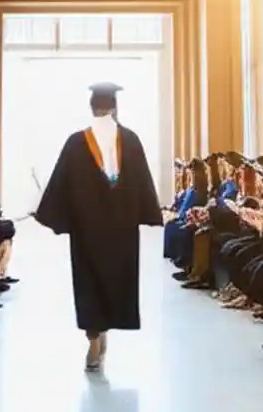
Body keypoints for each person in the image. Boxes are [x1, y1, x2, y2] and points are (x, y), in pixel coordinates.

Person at [34, 81, 162, 370]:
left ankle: (95, 337)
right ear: (115, 108)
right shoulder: (130, 140)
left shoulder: (76, 142)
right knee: (116, 281)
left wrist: (55, 218)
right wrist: (148, 213)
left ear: (91, 107)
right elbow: (142, 181)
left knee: (89, 283)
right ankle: (103, 332)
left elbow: (60, 185)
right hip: (122, 231)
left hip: (88, 231)